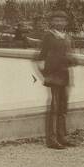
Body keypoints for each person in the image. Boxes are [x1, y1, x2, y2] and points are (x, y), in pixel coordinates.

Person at [35, 11, 75, 149]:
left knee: (63, 108)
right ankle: (51, 139)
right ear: (52, 22)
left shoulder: (67, 37)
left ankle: (62, 136)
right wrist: (45, 74)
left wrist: (71, 60)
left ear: (66, 22)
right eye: (56, 20)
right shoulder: (48, 36)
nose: (59, 23)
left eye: (62, 20)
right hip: (53, 76)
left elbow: (70, 56)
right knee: (54, 108)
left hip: (65, 75)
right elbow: (40, 57)